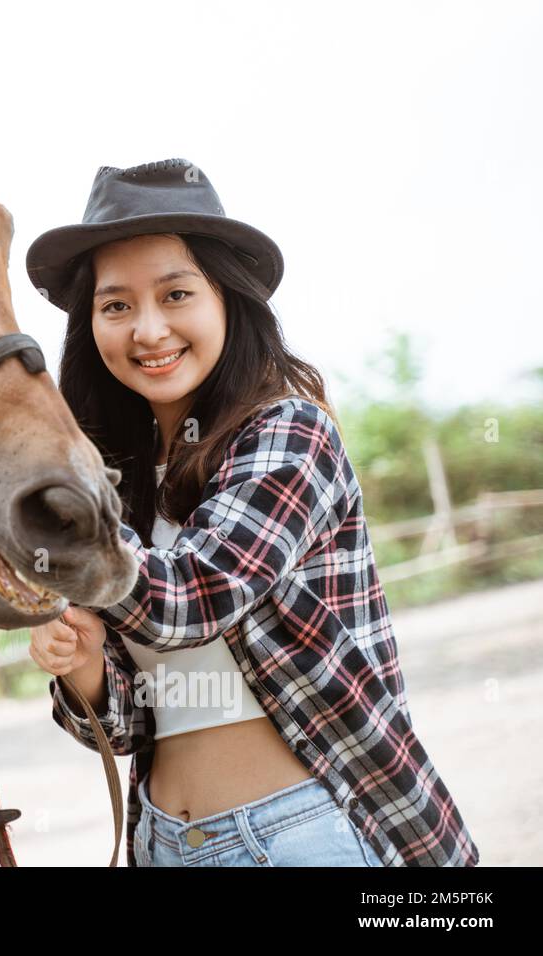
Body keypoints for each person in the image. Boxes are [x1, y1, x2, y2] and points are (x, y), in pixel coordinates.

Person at [24, 159, 479, 866]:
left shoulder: (289, 434)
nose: (147, 330)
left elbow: (190, 600)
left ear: (228, 300)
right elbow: (126, 727)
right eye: (115, 306)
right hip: (161, 840)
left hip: (298, 835)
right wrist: (83, 667)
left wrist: (61, 500)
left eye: (176, 294)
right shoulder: (119, 483)